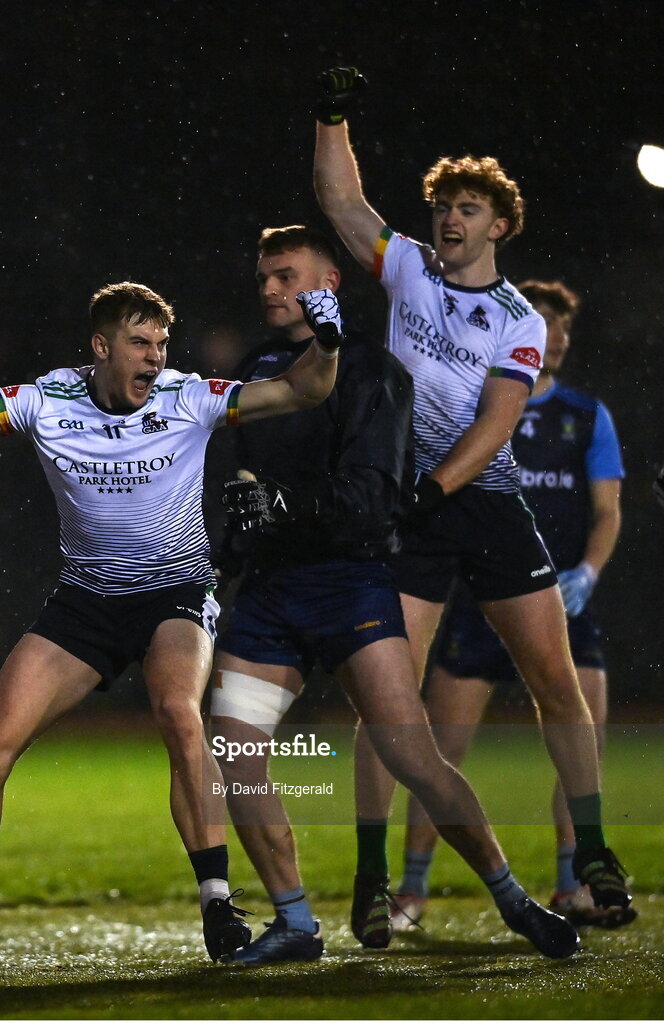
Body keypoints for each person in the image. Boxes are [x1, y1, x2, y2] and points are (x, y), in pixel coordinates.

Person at [0, 259, 343, 977]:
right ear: (101, 348)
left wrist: (328, 344)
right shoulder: (49, 400)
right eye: (141, 344)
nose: (156, 357)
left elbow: (303, 388)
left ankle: (217, 902)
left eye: (161, 344)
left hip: (175, 593)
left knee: (178, 713)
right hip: (86, 601)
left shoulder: (188, 396)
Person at [312, 66, 633, 940]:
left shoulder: (520, 319)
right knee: (386, 703)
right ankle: (373, 875)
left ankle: (593, 851)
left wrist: (427, 490)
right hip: (411, 511)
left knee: (556, 684)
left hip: (481, 505)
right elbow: (341, 203)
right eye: (443, 207)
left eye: (468, 209)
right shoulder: (408, 269)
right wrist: (332, 116)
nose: (450, 219)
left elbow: (494, 428)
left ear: (500, 225)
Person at [209, 226, 580, 967]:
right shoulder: (258, 368)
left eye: (286, 276)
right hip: (273, 596)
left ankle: (514, 900)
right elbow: (246, 486)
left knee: (412, 755)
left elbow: (373, 500)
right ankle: (295, 922)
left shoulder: (374, 371)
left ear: (329, 284)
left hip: (352, 587)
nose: (270, 289)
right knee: (236, 751)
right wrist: (227, 558)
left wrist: (285, 506)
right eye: (263, 279)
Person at [391, 279, 635, 931]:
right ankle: (411, 890)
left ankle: (574, 883)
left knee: (581, 738)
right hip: (477, 603)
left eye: (564, 327)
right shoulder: (476, 405)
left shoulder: (585, 416)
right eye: (544, 323)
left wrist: (587, 573)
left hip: (559, 603)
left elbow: (608, 511)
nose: (556, 337)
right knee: (439, 747)